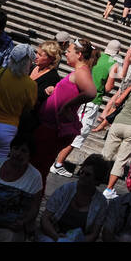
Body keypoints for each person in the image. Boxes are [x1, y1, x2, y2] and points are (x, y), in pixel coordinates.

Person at [31, 39, 98, 188]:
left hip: (52, 129)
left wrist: (68, 105)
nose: (66, 53)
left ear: (79, 54)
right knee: (37, 166)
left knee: (38, 168)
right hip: (49, 125)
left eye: (69, 51)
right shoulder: (79, 72)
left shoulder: (81, 72)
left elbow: (91, 92)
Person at [51, 40, 122, 178]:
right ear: (117, 52)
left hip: (78, 97)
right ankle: (58, 163)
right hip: (91, 102)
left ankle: (55, 158)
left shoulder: (94, 57)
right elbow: (108, 87)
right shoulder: (113, 65)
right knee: (78, 133)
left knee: (67, 127)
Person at [40, 156, 110, 241]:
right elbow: (45, 218)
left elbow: (94, 234)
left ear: (96, 180)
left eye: (88, 175)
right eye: (81, 172)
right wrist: (57, 237)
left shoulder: (101, 203)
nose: (82, 176)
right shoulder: (65, 190)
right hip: (53, 236)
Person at [30, 40, 64, 106]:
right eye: (36, 53)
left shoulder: (53, 77)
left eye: (40, 55)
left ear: (51, 58)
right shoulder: (32, 67)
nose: (36, 56)